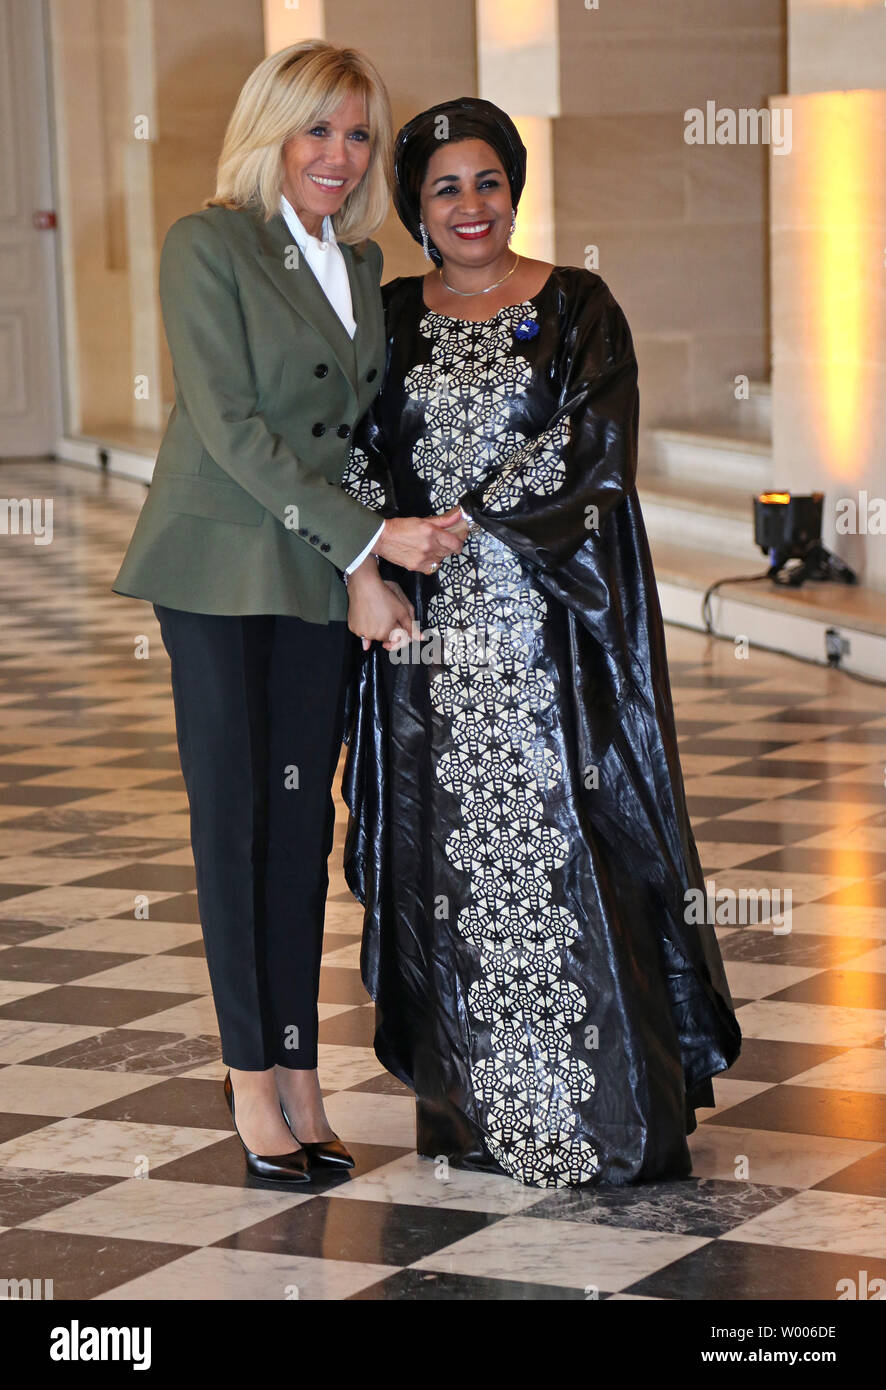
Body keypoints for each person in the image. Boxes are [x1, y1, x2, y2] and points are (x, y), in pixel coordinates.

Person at [340, 97, 742, 1188]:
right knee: (448, 867)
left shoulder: (576, 304)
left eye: (488, 182)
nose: (471, 206)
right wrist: (386, 535)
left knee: (580, 847)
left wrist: (479, 515)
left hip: (553, 634)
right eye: (444, 188)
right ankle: (479, 1116)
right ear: (414, 206)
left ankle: (605, 1116)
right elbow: (352, 445)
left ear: (513, 186)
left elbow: (596, 437)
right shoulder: (387, 317)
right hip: (427, 643)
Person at [112, 43, 463, 1184]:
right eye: (317, 129)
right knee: (239, 827)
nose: (339, 154)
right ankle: (251, 1082)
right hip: (217, 570)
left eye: (358, 134)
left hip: (313, 573)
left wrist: (363, 569)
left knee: (303, 828)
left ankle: (303, 1070)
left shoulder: (358, 265)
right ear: (270, 132)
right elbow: (229, 425)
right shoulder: (205, 243)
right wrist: (370, 544)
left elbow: (351, 442)